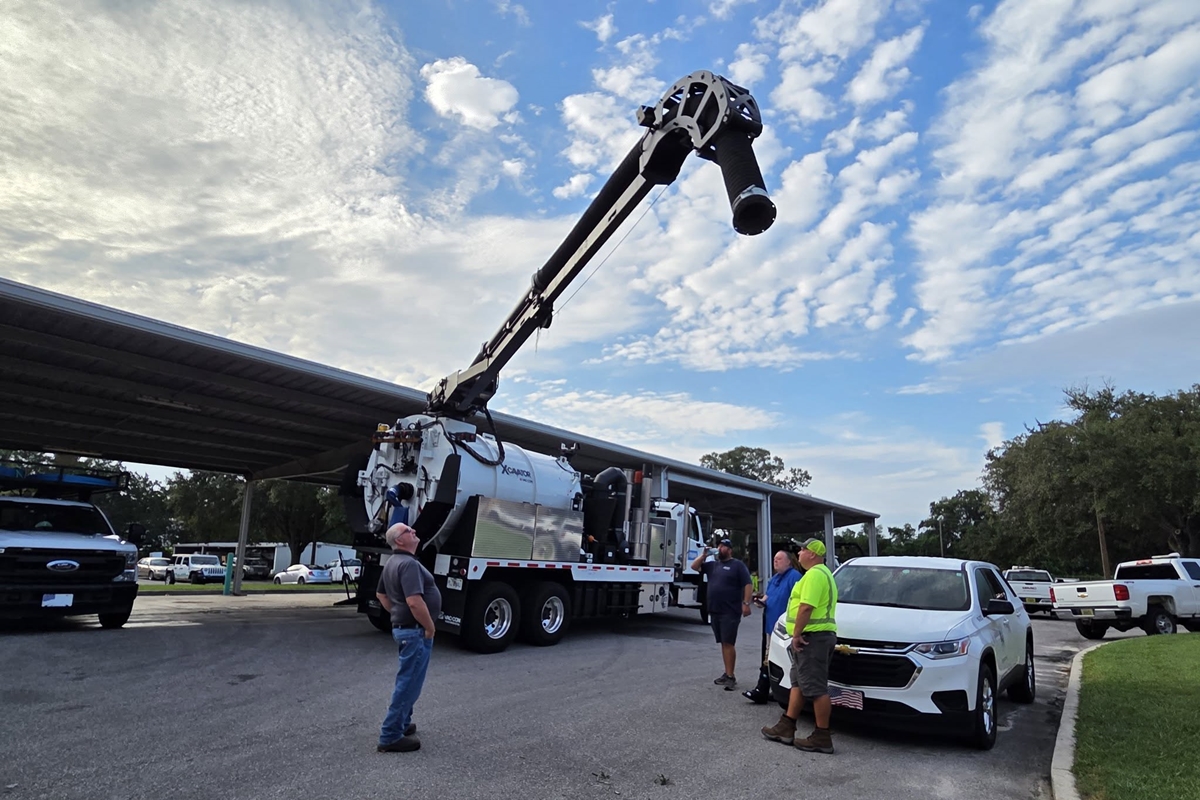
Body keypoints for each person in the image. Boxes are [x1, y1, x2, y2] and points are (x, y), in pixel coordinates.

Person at [761, 538, 838, 754]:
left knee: (815, 687)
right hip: (813, 637)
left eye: (803, 549)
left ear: (812, 554)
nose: (799, 552)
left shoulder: (815, 575)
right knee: (798, 682)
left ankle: (822, 736)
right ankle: (787, 725)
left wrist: (795, 635)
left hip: (811, 638)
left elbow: (806, 608)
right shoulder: (823, 574)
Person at [376, 522, 442, 753]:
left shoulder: (393, 563)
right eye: (408, 531)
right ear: (399, 540)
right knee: (409, 683)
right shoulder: (407, 564)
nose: (414, 531)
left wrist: (396, 612)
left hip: (406, 628)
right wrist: (429, 627)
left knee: (410, 680)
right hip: (414, 631)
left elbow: (381, 593)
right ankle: (390, 735)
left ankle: (402, 723)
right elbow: (415, 601)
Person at [691, 537, 753, 690]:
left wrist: (746, 603)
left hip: (730, 611)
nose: (720, 548)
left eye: (723, 546)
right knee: (723, 643)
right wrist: (704, 555)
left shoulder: (737, 565)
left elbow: (748, 584)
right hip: (715, 610)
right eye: (719, 545)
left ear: (729, 550)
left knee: (728, 643)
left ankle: (731, 676)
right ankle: (727, 673)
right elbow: (694, 567)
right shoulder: (713, 565)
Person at [742, 549, 801, 704]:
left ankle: (762, 689)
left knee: (774, 659)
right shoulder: (774, 579)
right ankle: (771, 689)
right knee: (769, 658)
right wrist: (760, 602)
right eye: (774, 559)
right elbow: (767, 598)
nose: (776, 561)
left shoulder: (794, 577)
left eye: (779, 559)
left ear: (789, 561)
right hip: (770, 626)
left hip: (785, 628)